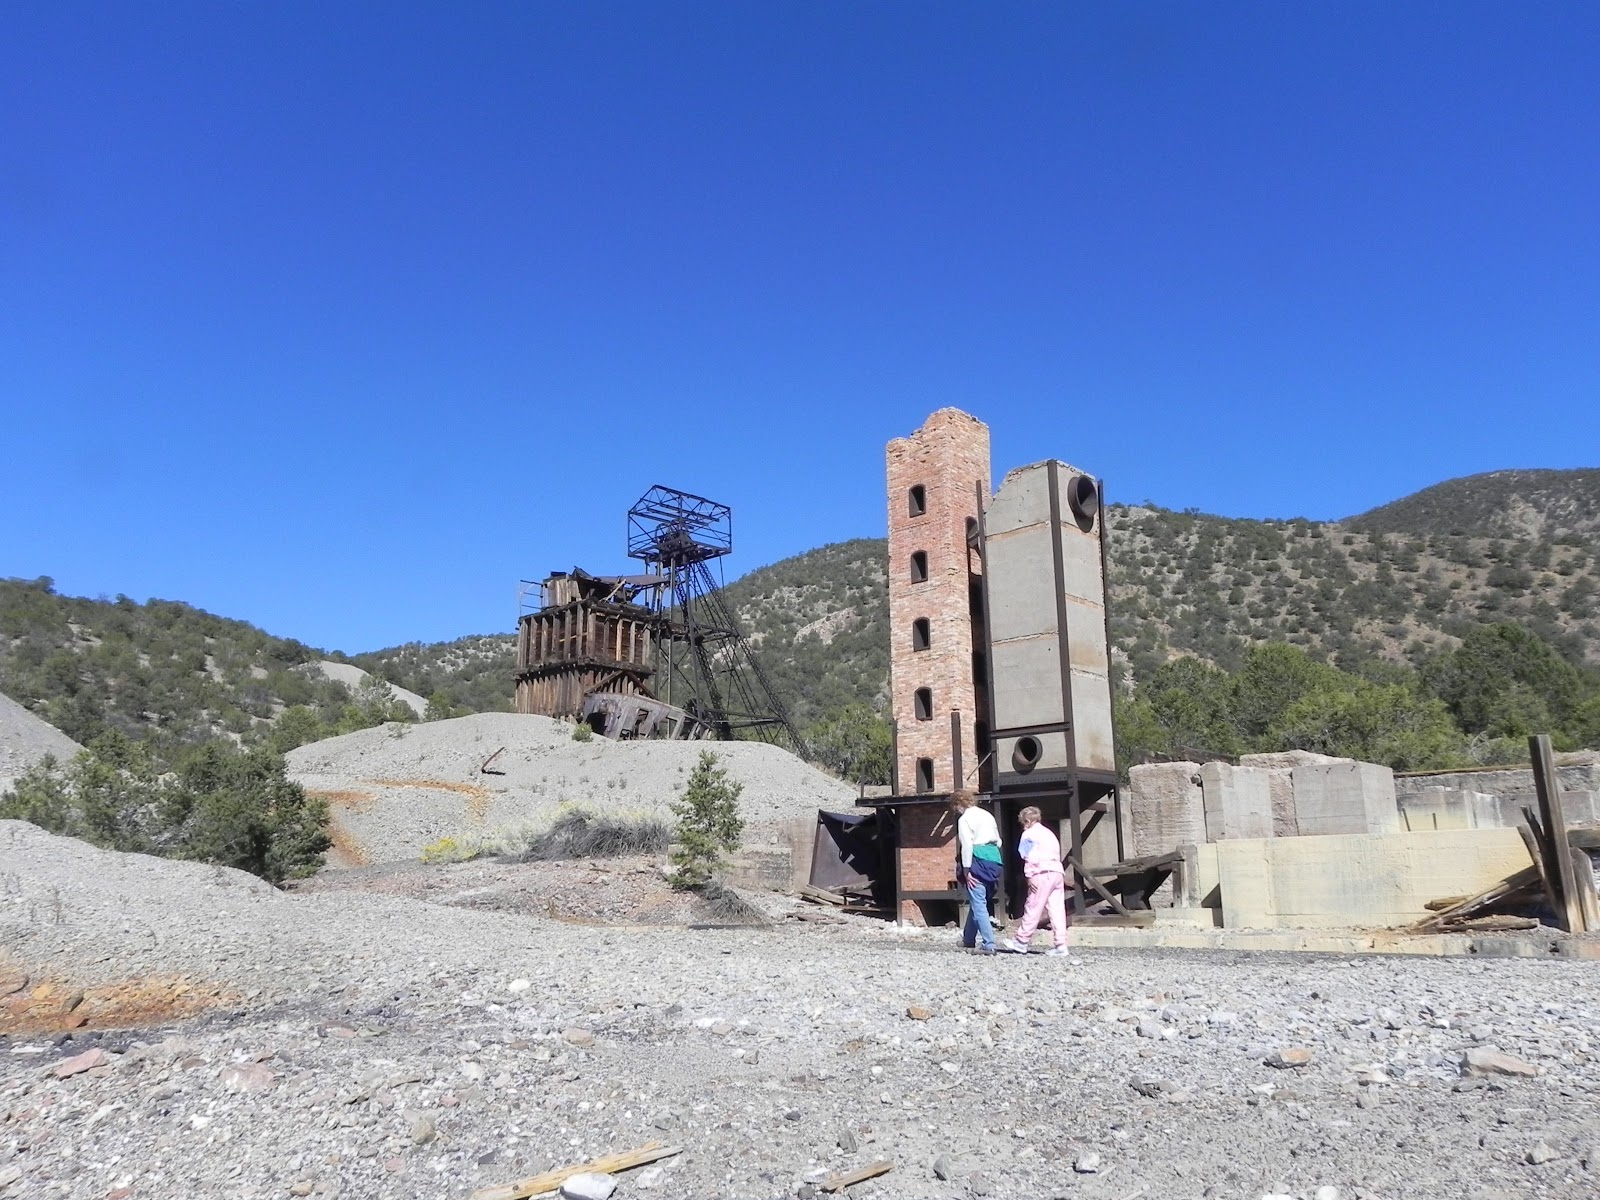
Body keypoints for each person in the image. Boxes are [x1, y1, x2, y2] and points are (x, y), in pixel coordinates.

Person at [1002, 806, 1071, 957]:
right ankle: (1061, 945)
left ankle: (1021, 941)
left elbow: (1027, 855)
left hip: (1041, 872)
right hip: (1057, 872)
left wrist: (1029, 876)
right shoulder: (1049, 833)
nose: (1023, 825)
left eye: (1023, 822)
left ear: (1027, 820)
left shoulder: (1029, 834)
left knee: (1033, 907)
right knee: (1057, 909)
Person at [949, 790, 1002, 954]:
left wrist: (966, 870)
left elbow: (967, 845)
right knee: (978, 899)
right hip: (994, 858)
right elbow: (999, 841)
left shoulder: (965, 819)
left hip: (977, 859)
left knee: (979, 903)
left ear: (958, 805)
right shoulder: (987, 815)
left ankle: (989, 944)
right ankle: (968, 939)